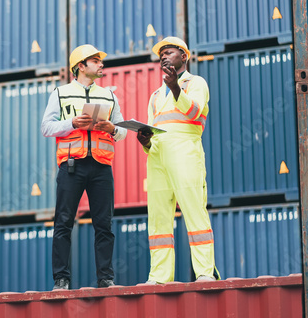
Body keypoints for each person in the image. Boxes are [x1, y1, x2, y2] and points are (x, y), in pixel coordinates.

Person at [40, 44, 126, 290]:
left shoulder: (109, 95)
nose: (101, 65)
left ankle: (105, 279)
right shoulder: (60, 93)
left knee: (104, 224)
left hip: (101, 167)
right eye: (96, 61)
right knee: (63, 222)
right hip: (72, 166)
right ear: (81, 66)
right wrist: (72, 123)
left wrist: (112, 129)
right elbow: (46, 128)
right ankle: (61, 279)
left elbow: (122, 133)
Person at [136, 37, 220, 284]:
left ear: (184, 56)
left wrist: (175, 88)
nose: (163, 56)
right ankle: (159, 276)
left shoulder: (196, 83)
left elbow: (194, 112)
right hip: (157, 157)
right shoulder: (154, 95)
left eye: (169, 52)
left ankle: (204, 272)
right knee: (158, 218)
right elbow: (155, 128)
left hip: (185, 152)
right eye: (161, 53)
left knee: (194, 211)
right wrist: (146, 142)